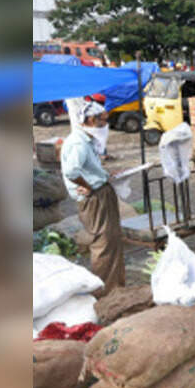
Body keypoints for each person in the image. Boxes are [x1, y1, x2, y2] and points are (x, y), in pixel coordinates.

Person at [60, 100, 124, 294]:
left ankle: (115, 288)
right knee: (103, 244)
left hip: (100, 192)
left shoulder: (86, 140)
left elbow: (87, 169)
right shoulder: (79, 142)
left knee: (111, 241)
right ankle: (103, 291)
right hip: (95, 198)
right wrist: (86, 185)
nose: (105, 125)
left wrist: (104, 174)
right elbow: (72, 171)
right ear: (90, 120)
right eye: (102, 121)